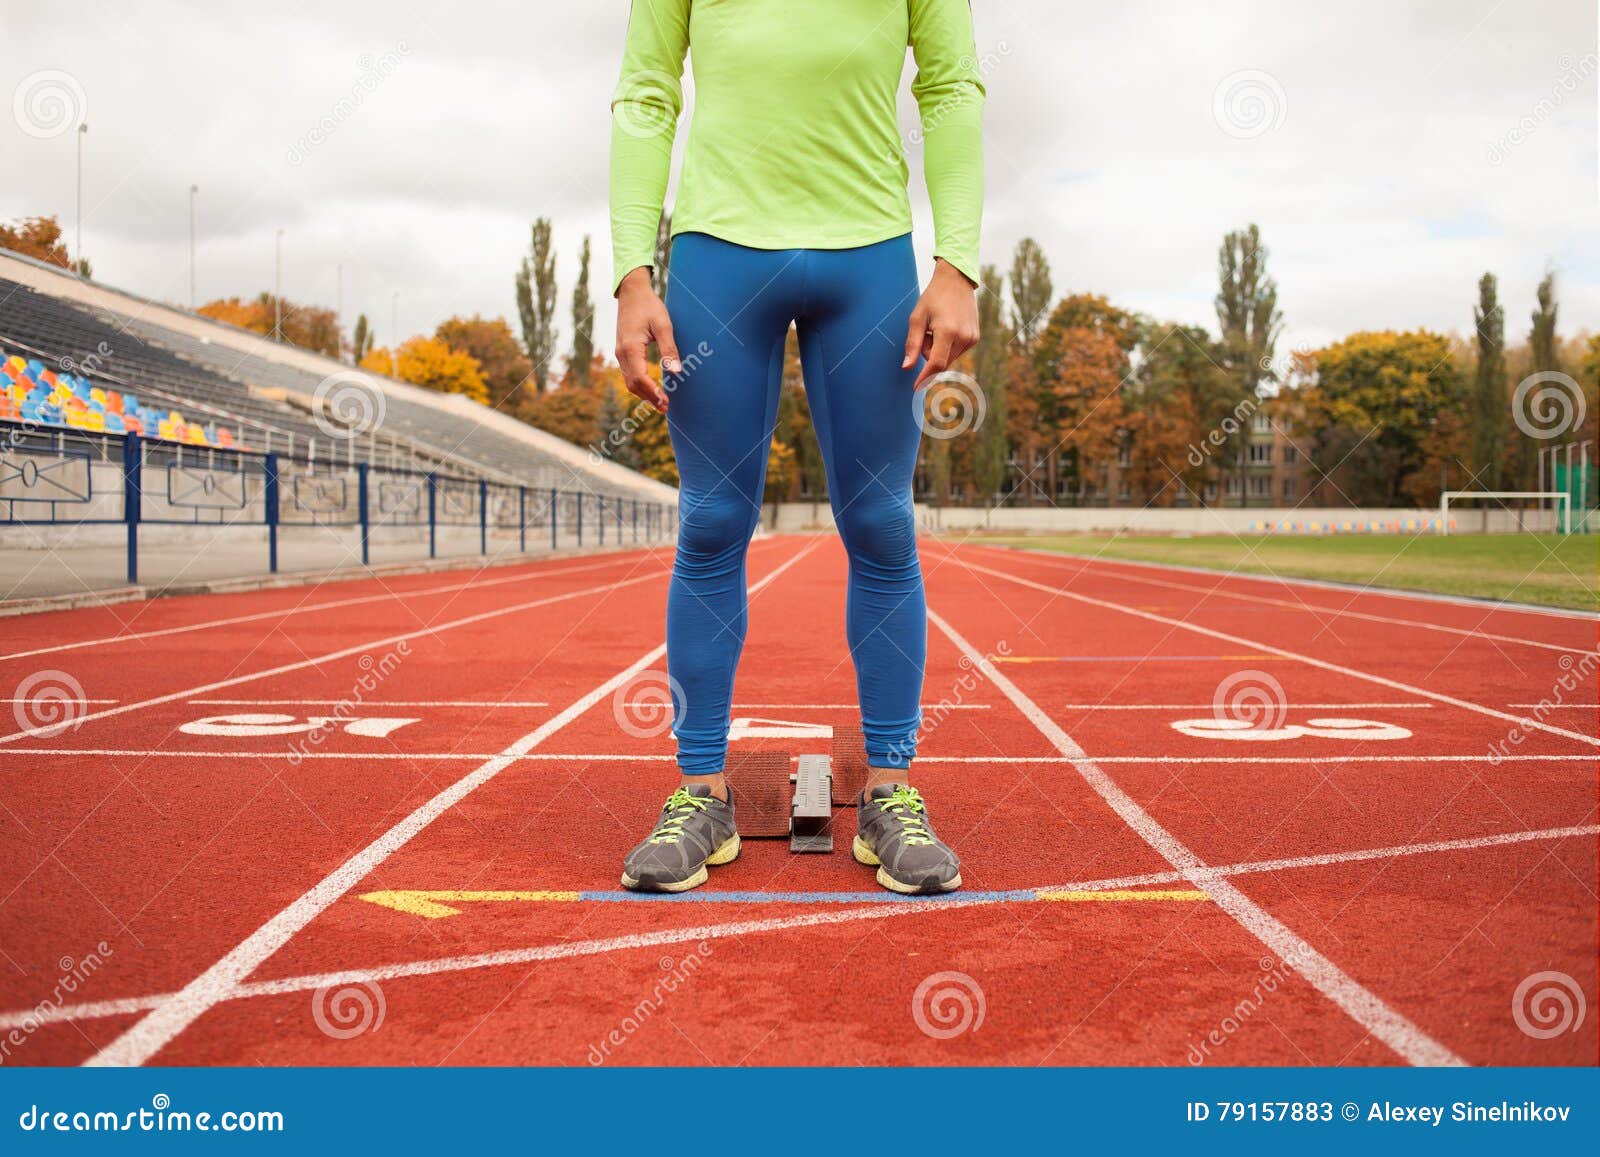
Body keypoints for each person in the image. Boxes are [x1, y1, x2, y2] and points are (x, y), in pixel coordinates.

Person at [610, 0, 984, 894]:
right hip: (716, 254)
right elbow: (645, 94)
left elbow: (952, 87)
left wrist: (958, 262)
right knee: (710, 524)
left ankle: (889, 791)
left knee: (883, 526)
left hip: (870, 255)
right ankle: (701, 792)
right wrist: (632, 272)